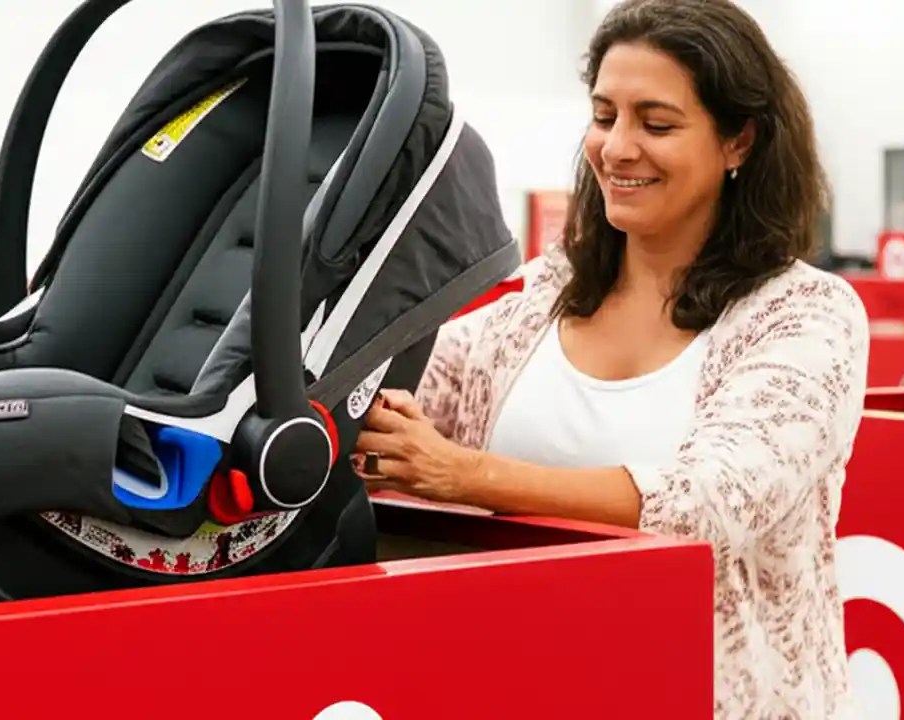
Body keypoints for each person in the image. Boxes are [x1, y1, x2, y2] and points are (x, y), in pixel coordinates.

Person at [351, 0, 870, 717]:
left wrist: (465, 475)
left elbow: (706, 505)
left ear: (739, 142)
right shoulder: (547, 293)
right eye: (604, 116)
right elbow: (411, 392)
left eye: (656, 123)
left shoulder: (805, 315)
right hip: (526, 686)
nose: (618, 148)